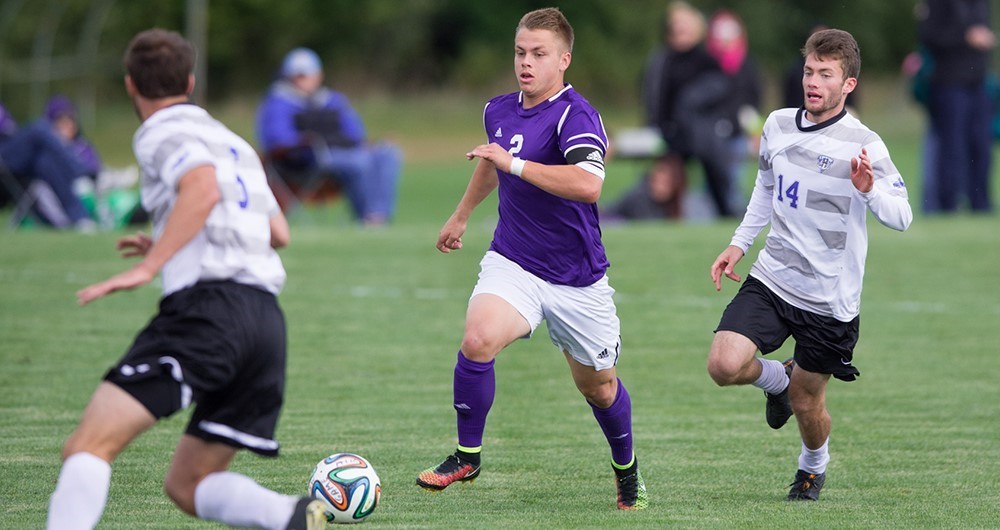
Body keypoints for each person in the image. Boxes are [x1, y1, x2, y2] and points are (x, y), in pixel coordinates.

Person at [45, 29, 325, 530]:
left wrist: (149, 266)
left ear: (131, 86)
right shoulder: (232, 141)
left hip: (208, 313)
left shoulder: (159, 130)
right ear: (190, 80)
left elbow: (199, 186)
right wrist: (173, 242)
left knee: (87, 446)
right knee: (188, 485)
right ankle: (292, 516)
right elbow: (276, 230)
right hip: (264, 323)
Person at [415, 8, 648, 511]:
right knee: (477, 339)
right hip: (514, 260)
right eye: (520, 52)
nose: (526, 62)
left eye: (539, 54)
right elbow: (492, 163)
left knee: (600, 388)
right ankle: (467, 455)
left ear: (563, 59)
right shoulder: (497, 109)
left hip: (577, 279)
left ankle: (627, 472)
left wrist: (514, 164)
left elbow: (588, 185)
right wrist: (460, 215)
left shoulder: (575, 114)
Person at [707, 29, 912, 501]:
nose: (813, 82)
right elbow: (764, 187)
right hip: (774, 277)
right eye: (809, 71)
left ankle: (813, 465)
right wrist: (738, 244)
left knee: (807, 400)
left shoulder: (864, 143)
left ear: (849, 85)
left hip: (829, 300)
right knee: (722, 364)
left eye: (826, 74)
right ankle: (776, 379)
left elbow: (901, 215)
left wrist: (868, 190)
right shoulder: (777, 124)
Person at [256, 47, 402, 225]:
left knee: (388, 154)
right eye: (299, 75)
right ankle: (369, 219)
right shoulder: (278, 102)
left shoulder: (332, 100)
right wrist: (310, 144)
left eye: (308, 74)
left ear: (319, 75)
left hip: (343, 153)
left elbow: (356, 133)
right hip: (304, 162)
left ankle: (379, 216)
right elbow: (277, 140)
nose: (304, 80)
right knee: (358, 161)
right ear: (289, 76)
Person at [641, 1, 736, 218]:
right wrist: (654, 123)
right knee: (665, 180)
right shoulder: (661, 60)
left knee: (717, 179)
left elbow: (722, 95)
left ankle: (726, 217)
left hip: (703, 136)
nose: (679, 30)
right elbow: (653, 95)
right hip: (670, 133)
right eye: (676, 24)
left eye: (684, 24)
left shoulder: (708, 61)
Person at [918, 0, 995, 213]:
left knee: (981, 145)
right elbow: (928, 35)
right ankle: (947, 204)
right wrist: (965, 37)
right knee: (952, 147)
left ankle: (980, 203)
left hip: (978, 82)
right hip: (949, 82)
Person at [0, 100, 97, 231]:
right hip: (5, 156)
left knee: (44, 161)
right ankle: (84, 172)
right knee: (39, 128)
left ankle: (80, 219)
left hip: (13, 156)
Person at [705, 8, 762, 214]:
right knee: (713, 181)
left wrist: (755, 131)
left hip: (738, 132)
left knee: (734, 179)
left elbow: (754, 100)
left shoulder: (747, 65)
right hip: (711, 133)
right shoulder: (708, 63)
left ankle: (734, 216)